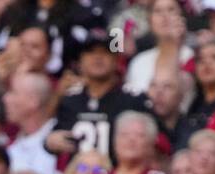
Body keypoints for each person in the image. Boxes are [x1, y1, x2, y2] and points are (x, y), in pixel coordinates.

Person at [47, 29, 151, 166]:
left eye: (105, 52)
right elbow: (55, 136)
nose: (98, 57)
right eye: (91, 52)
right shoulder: (70, 100)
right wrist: (49, 142)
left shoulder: (133, 99)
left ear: (116, 59)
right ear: (80, 60)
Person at [3, 71, 56, 174]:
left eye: (13, 92)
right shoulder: (10, 146)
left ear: (33, 101)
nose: (5, 99)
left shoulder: (60, 140)